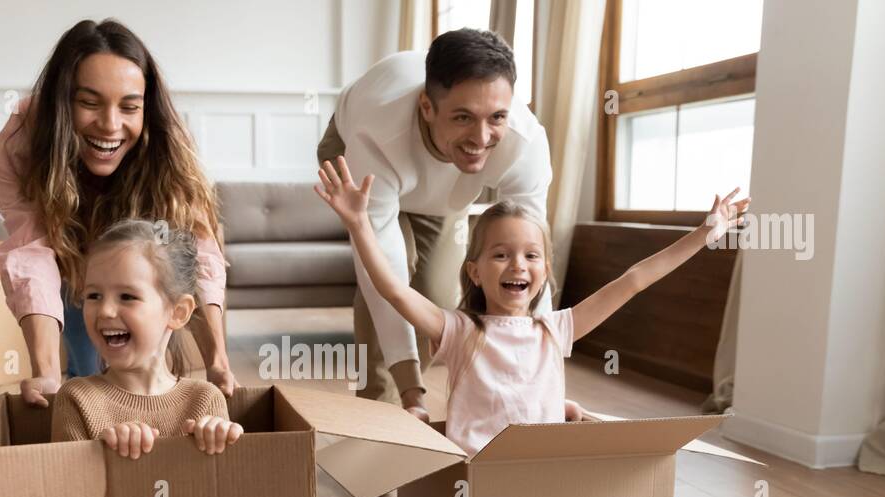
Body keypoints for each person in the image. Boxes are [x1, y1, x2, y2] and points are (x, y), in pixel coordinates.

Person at [316, 155, 750, 456]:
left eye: (531, 255)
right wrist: (359, 225)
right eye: (500, 254)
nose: (517, 264)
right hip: (476, 472)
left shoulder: (555, 328)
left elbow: (634, 280)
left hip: (540, 467)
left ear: (544, 270)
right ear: (475, 271)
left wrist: (702, 235)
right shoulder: (460, 330)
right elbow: (395, 291)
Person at [0, 19, 236, 407]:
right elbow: (30, 251)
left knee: (143, 375)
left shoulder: (167, 139)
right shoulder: (22, 139)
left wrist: (217, 359)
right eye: (88, 102)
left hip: (143, 265)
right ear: (62, 100)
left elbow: (195, 251)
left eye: (128, 107)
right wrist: (46, 370)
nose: (109, 125)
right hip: (71, 264)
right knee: (85, 383)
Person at [317, 28, 552, 422]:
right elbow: (385, 282)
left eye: (496, 117)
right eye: (463, 117)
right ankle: (382, 417)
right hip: (361, 156)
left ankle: (409, 405)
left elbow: (533, 263)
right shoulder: (376, 131)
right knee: (394, 268)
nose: (481, 137)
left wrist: (541, 374)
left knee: (439, 296)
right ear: (426, 107)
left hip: (443, 188)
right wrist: (411, 390)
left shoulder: (524, 145)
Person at [50, 219, 243, 458]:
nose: (105, 311)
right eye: (94, 295)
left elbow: (221, 488)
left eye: (127, 296)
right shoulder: (75, 399)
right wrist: (102, 455)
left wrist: (222, 446)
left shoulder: (205, 399)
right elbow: (65, 489)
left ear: (178, 312)